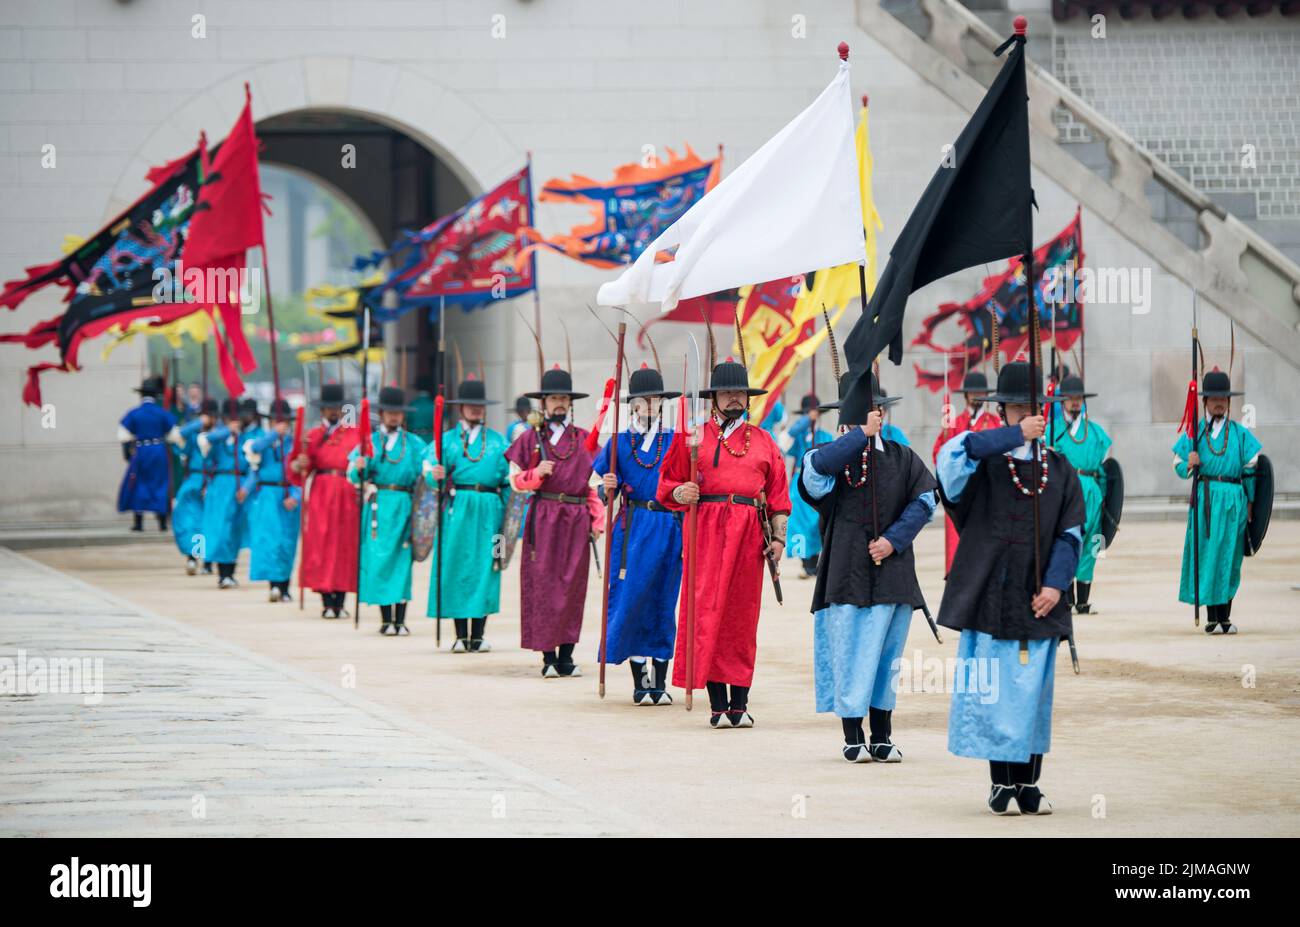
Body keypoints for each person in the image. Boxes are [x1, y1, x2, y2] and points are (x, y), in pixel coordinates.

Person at [934, 361, 1083, 816]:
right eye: (1016, 410)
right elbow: (948, 461)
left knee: (1031, 693)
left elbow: (1071, 532)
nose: (1025, 416)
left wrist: (1057, 586)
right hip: (990, 593)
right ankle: (1000, 783)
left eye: (1031, 409)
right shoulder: (983, 461)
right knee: (996, 692)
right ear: (1004, 414)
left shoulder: (1060, 469)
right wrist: (1014, 438)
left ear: (1046, 411)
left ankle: (1029, 783)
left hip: (1039, 598)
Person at [798, 372, 938, 762]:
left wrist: (894, 539)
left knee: (886, 656)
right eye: (864, 412)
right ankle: (851, 735)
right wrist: (858, 435)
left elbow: (926, 499)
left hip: (892, 572)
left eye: (876, 410)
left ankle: (882, 735)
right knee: (850, 653)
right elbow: (814, 478)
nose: (873, 417)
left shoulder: (901, 456)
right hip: (846, 573)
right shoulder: (826, 455)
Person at [657, 357, 791, 729]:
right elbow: (665, 485)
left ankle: (740, 702)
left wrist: (778, 539)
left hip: (749, 534)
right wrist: (681, 491)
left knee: (741, 617)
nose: (734, 398)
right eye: (727, 392)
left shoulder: (764, 441)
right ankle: (717, 704)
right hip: (706, 532)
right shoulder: (693, 438)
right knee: (707, 613)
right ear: (713, 397)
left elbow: (778, 495)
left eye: (740, 392)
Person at [504, 366, 604, 678]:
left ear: (570, 402)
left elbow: (593, 484)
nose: (558, 403)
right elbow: (513, 481)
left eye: (563, 398)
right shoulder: (531, 439)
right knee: (544, 583)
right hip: (544, 517)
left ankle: (567, 656)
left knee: (574, 585)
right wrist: (536, 474)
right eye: (553, 398)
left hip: (576, 519)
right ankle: (547, 656)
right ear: (543, 403)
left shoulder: (584, 440)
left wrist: (597, 520)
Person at [593, 362, 682, 705]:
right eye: (641, 401)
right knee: (632, 598)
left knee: (663, 599)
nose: (648, 406)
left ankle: (660, 681)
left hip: (669, 527)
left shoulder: (676, 439)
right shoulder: (618, 442)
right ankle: (638, 680)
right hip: (632, 528)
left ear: (662, 403)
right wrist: (608, 487)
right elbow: (602, 488)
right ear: (632, 406)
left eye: (654, 400)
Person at [424, 374, 510, 652]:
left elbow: (511, 479)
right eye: (470, 405)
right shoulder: (445, 440)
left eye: (480, 405)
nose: (476, 409)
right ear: (460, 408)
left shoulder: (498, 442)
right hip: (457, 509)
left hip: (490, 509)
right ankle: (461, 635)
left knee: (488, 566)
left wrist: (509, 519)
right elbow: (428, 466)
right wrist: (433, 473)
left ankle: (479, 634)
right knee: (456, 565)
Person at [1173, 368, 1261, 634]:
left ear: (1229, 401)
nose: (1218, 402)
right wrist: (1189, 463)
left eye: (1223, 397)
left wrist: (1250, 504)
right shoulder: (1195, 433)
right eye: (1213, 398)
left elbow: (1252, 468)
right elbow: (1177, 465)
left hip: (1234, 500)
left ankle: (1226, 616)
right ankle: (1212, 617)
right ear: (1204, 402)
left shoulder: (1240, 433)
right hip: (1206, 500)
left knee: (1230, 556)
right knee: (1207, 554)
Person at [348, 386, 428, 635]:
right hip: (378, 505)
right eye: (389, 412)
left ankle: (400, 619)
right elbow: (352, 474)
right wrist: (359, 468)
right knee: (379, 558)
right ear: (381, 414)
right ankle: (385, 618)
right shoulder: (368, 441)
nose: (394, 417)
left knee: (402, 559)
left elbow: (424, 474)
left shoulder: (414, 443)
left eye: (398, 413)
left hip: (405, 504)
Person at [292, 383, 360, 619]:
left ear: (343, 410)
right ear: (322, 411)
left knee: (344, 544)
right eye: (329, 408)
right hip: (321, 493)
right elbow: (299, 470)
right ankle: (325, 601)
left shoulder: (354, 433)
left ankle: (340, 601)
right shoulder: (312, 436)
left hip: (346, 493)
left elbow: (364, 458)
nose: (333, 412)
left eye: (337, 408)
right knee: (320, 543)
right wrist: (300, 463)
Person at [1048, 375, 1112, 614]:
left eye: (1079, 398)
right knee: (1065, 541)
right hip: (1065, 491)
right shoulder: (1051, 431)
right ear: (1062, 400)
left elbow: (1106, 472)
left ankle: (1083, 600)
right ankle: (1066, 598)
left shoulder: (1095, 433)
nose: (1075, 402)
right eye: (1071, 398)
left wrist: (1105, 497)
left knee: (1092, 543)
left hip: (1093, 494)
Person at [932, 371, 1002, 574]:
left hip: (986, 491)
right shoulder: (953, 423)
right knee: (957, 542)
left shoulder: (994, 421)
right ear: (966, 395)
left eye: (980, 392)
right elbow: (939, 453)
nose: (976, 395)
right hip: (959, 493)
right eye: (972, 392)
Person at [243, 398, 302, 603]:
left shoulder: (294, 445)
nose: (281, 425)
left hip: (287, 496)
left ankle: (285, 585)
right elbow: (254, 461)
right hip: (267, 496)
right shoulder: (262, 442)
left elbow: (301, 475)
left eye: (285, 421)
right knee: (269, 540)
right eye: (277, 422)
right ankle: (273, 585)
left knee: (287, 542)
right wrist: (245, 489)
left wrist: (296, 496)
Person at [198, 398, 249, 588]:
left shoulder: (245, 439)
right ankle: (220, 571)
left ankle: (231, 571)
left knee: (235, 530)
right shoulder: (216, 438)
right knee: (220, 530)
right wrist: (227, 431)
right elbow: (204, 442)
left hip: (239, 484)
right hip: (220, 486)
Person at [117, 375, 179, 532]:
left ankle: (138, 523)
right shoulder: (162, 413)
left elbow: (123, 435)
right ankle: (163, 523)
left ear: (141, 395)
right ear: (156, 395)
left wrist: (127, 454)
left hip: (141, 451)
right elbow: (174, 435)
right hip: (158, 450)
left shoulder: (134, 413)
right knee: (160, 484)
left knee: (138, 484)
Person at [784, 393, 833, 578]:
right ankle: (806, 563)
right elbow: (784, 442)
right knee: (800, 525)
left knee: (817, 524)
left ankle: (818, 561)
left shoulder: (826, 435)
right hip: (799, 482)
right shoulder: (797, 435)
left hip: (820, 482)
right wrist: (805, 421)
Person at [172, 397, 217, 574]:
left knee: (210, 523)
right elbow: (178, 437)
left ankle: (208, 561)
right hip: (192, 482)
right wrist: (198, 422)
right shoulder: (193, 434)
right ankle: (193, 556)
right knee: (191, 522)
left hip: (212, 482)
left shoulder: (218, 434)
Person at [407, 374, 435, 444]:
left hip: (413, 439)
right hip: (431, 440)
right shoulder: (435, 405)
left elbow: (406, 423)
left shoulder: (412, 405)